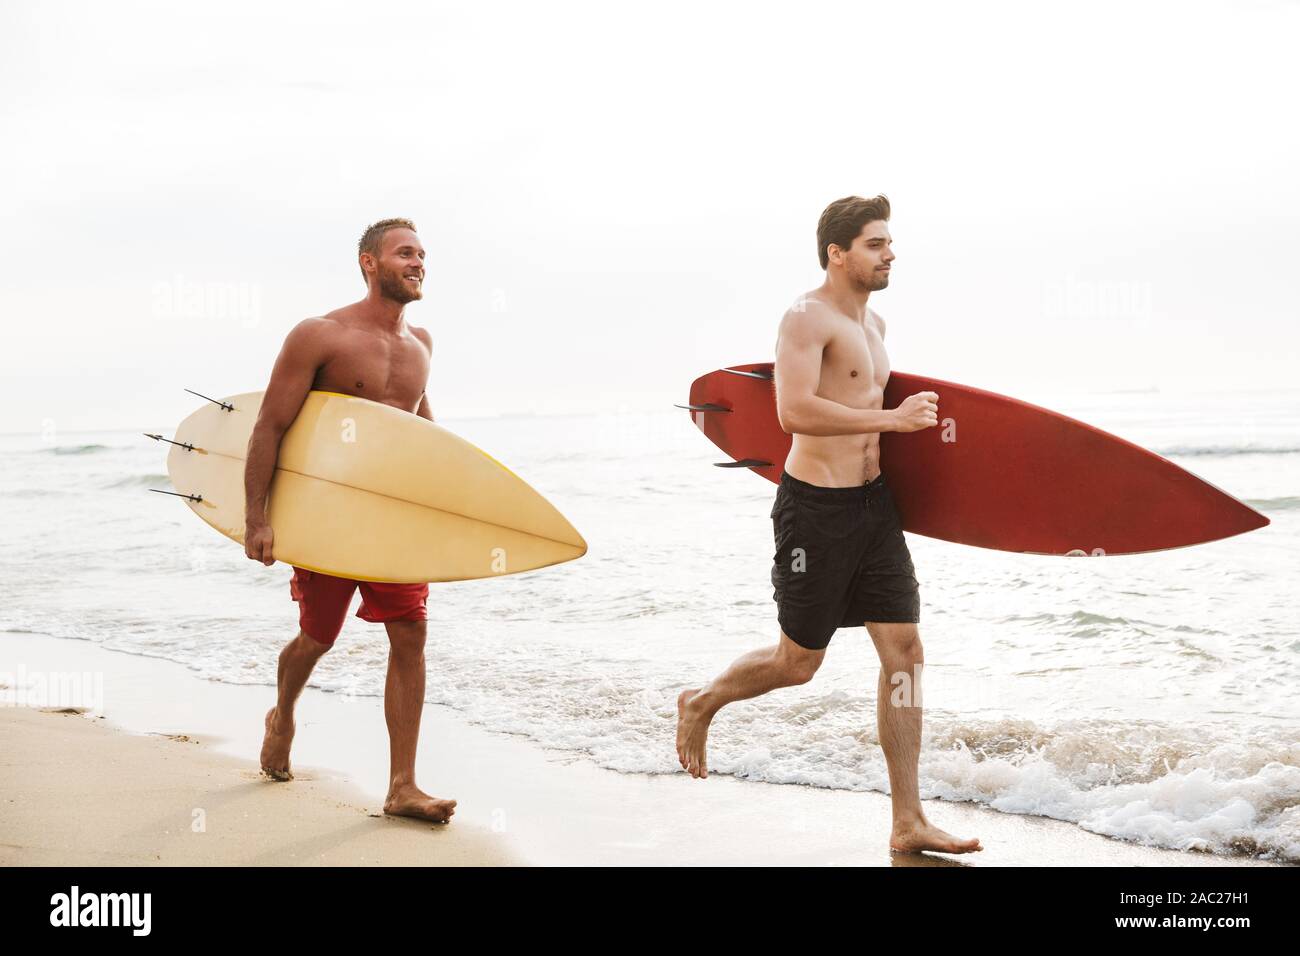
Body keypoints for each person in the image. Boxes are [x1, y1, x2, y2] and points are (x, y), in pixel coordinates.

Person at [675, 196, 981, 854]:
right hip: (814, 510)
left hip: (875, 508)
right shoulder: (804, 318)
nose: (890, 253)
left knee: (905, 654)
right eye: (875, 244)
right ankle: (701, 702)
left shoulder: (876, 324)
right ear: (837, 253)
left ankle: (907, 819)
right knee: (798, 663)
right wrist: (895, 421)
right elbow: (794, 411)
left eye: (889, 242)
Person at [246, 218, 455, 823]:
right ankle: (283, 713)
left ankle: (402, 786)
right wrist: (256, 518)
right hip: (328, 515)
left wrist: (453, 503)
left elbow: (422, 429)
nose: (417, 262)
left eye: (422, 254)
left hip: (389, 517)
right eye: (404, 253)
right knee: (318, 636)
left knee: (410, 632)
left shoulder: (423, 346)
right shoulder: (321, 335)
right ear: (369, 263)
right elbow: (269, 425)